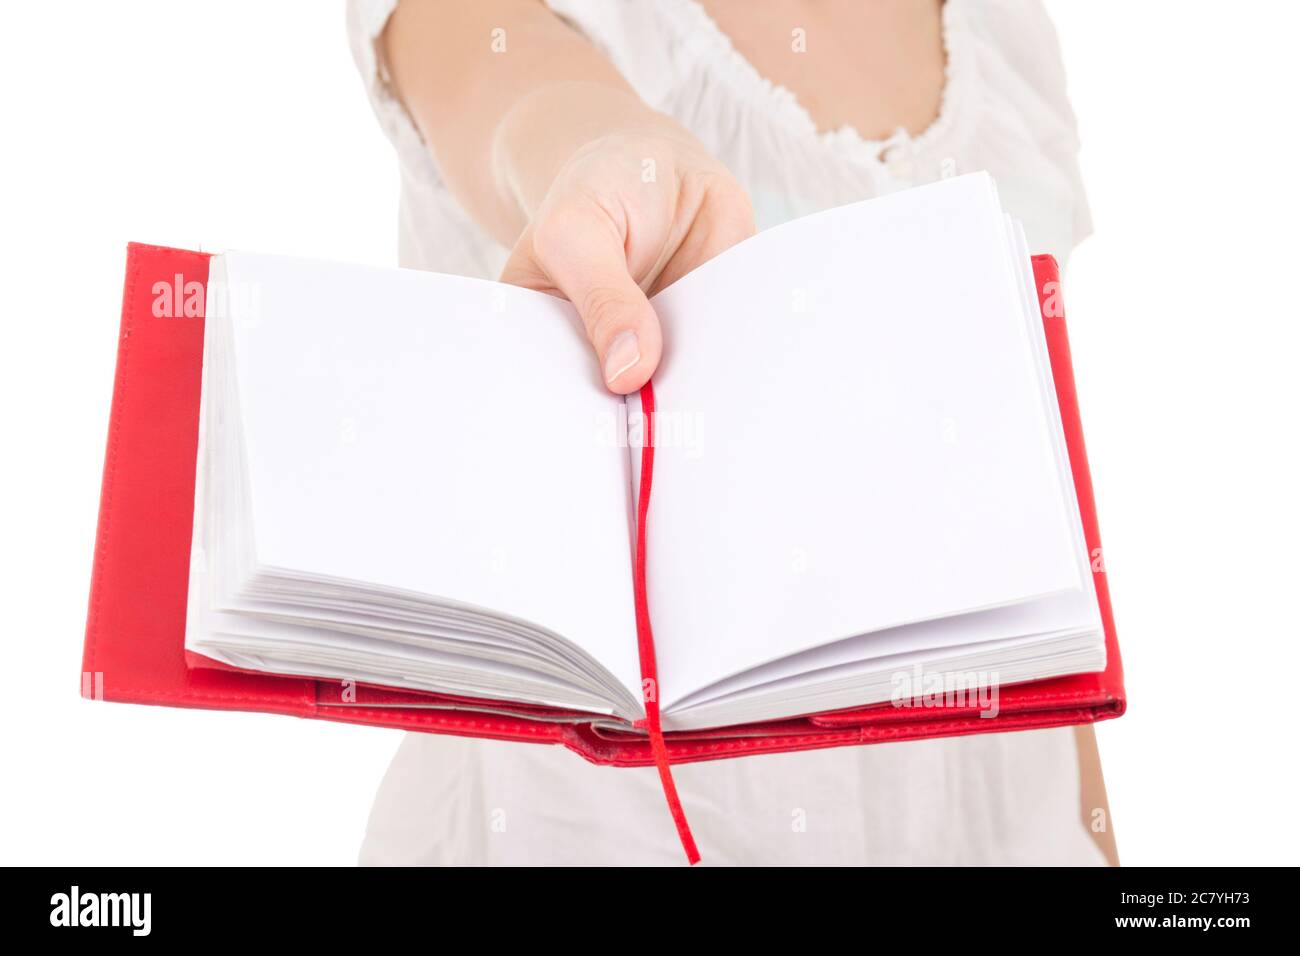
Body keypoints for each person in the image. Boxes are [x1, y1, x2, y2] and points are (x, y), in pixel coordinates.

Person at [346, 0, 1117, 865]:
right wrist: (608, 155)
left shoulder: (1008, 34)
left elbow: (1040, 546)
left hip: (1006, 818)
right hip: (612, 824)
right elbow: (520, 96)